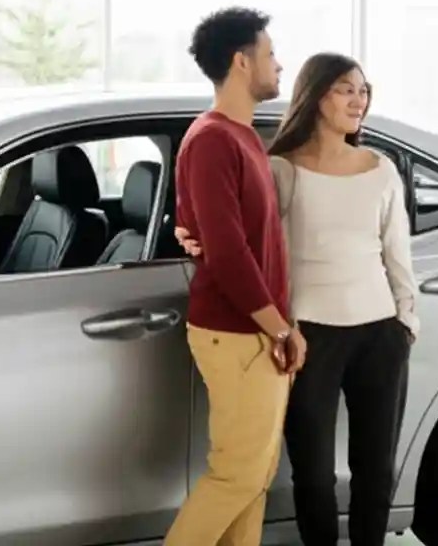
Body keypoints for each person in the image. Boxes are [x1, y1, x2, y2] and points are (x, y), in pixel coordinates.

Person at [176, 52, 418, 546]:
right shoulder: (279, 169)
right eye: (344, 89)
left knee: (375, 469)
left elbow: (398, 257)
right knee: (312, 475)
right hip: (307, 336)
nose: (358, 100)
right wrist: (190, 234)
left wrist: (406, 323)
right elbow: (240, 235)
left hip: (380, 334)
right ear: (315, 96)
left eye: (363, 90)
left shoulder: (382, 170)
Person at [164, 7, 306, 546]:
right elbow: (227, 254)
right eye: (270, 55)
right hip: (238, 331)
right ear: (242, 62)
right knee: (237, 476)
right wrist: (279, 328)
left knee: (256, 478)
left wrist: (278, 325)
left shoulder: (242, 137)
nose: (279, 65)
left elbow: (220, 231)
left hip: (256, 331)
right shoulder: (213, 139)